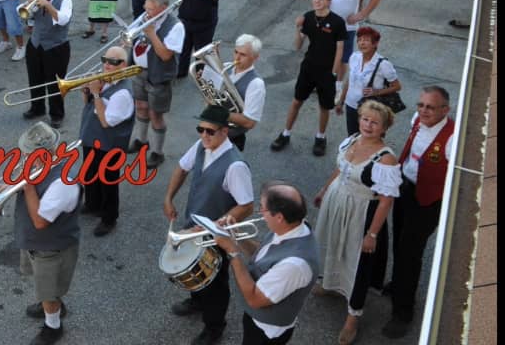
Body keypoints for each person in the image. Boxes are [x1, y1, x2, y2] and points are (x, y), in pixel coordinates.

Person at [162, 104, 255, 345]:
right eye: (200, 129)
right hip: (194, 225)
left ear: (225, 131)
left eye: (210, 131)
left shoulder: (235, 166)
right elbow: (181, 168)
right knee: (194, 269)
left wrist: (213, 226)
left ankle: (214, 327)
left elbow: (246, 206)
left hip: (216, 235)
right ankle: (197, 301)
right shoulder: (201, 146)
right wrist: (168, 197)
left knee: (215, 283)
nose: (204, 135)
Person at [312, 100, 400, 345]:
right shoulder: (351, 140)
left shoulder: (386, 160)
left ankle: (353, 318)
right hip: (336, 202)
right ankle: (330, 283)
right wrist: (324, 190)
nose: (368, 125)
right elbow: (340, 170)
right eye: (365, 119)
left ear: (384, 128)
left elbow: (386, 201)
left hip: (361, 212)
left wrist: (372, 234)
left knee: (357, 262)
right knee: (332, 244)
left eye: (375, 122)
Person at [382, 86, 455, 340]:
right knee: (399, 240)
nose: (423, 111)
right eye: (421, 105)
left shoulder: (452, 139)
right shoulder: (417, 120)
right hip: (406, 188)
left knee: (410, 253)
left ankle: (403, 313)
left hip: (427, 201)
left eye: (430, 107)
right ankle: (398, 283)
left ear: (445, 110)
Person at [0, 123, 80, 345]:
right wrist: (7, 186)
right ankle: (52, 302)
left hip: (52, 248)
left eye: (28, 154)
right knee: (45, 284)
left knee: (48, 290)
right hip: (36, 243)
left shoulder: (64, 182)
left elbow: (40, 221)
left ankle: (53, 325)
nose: (24, 157)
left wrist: (27, 185)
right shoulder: (40, 165)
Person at [210, 182, 321, 345]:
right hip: (259, 319)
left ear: (279, 217)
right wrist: (236, 235)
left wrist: (232, 251)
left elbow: (254, 299)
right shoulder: (291, 227)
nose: (260, 213)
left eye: (262, 208)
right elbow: (263, 254)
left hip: (267, 331)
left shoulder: (294, 265)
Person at [271, 0, 347, 157]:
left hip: (327, 72)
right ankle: (285, 133)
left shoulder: (337, 22)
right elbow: (298, 46)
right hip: (308, 68)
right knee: (296, 101)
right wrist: (298, 28)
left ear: (329, 2)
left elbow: (340, 49)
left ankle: (321, 137)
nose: (317, 1)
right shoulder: (308, 17)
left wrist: (334, 74)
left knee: (324, 106)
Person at [78, 45, 135, 236]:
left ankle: (109, 218)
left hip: (109, 145)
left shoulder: (122, 93)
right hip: (92, 138)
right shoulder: (107, 81)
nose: (107, 65)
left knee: (108, 181)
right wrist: (87, 93)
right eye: (105, 60)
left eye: (113, 62)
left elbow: (105, 122)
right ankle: (92, 204)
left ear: (123, 65)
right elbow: (88, 106)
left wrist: (95, 93)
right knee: (90, 173)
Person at [128, 0, 184, 169]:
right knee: (140, 106)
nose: (147, 12)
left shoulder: (175, 26)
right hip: (139, 71)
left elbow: (166, 55)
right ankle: (141, 140)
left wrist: (151, 33)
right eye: (146, 7)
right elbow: (134, 38)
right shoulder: (146, 18)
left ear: (164, 8)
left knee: (155, 114)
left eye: (151, 9)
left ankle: (157, 152)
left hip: (158, 75)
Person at [23, 0, 72, 127]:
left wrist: (48, 5)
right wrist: (29, 3)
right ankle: (37, 108)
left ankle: (57, 114)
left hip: (56, 47)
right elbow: (23, 13)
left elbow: (63, 19)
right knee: (35, 79)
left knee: (55, 84)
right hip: (35, 44)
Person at [204, 34, 267, 151]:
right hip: (210, 130)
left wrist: (219, 112)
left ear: (255, 57)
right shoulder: (226, 67)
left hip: (231, 139)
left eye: (243, 54)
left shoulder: (256, 84)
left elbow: (250, 122)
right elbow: (211, 96)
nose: (237, 58)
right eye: (236, 52)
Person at [175, 0, 220, 78]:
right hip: (186, 21)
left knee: (201, 52)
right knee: (183, 48)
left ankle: (201, 76)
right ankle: (180, 71)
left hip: (204, 25)